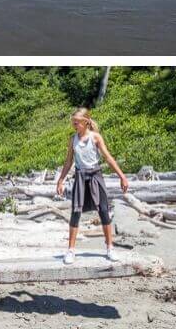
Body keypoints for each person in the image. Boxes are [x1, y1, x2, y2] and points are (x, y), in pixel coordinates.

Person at [56, 108, 129, 265]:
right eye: (72, 122)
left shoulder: (95, 137)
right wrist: (61, 180)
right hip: (80, 177)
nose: (74, 124)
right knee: (75, 212)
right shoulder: (72, 139)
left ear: (86, 122)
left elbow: (108, 158)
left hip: (96, 176)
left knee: (103, 210)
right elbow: (68, 162)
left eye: (76, 122)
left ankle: (110, 248)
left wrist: (122, 177)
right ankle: (70, 250)